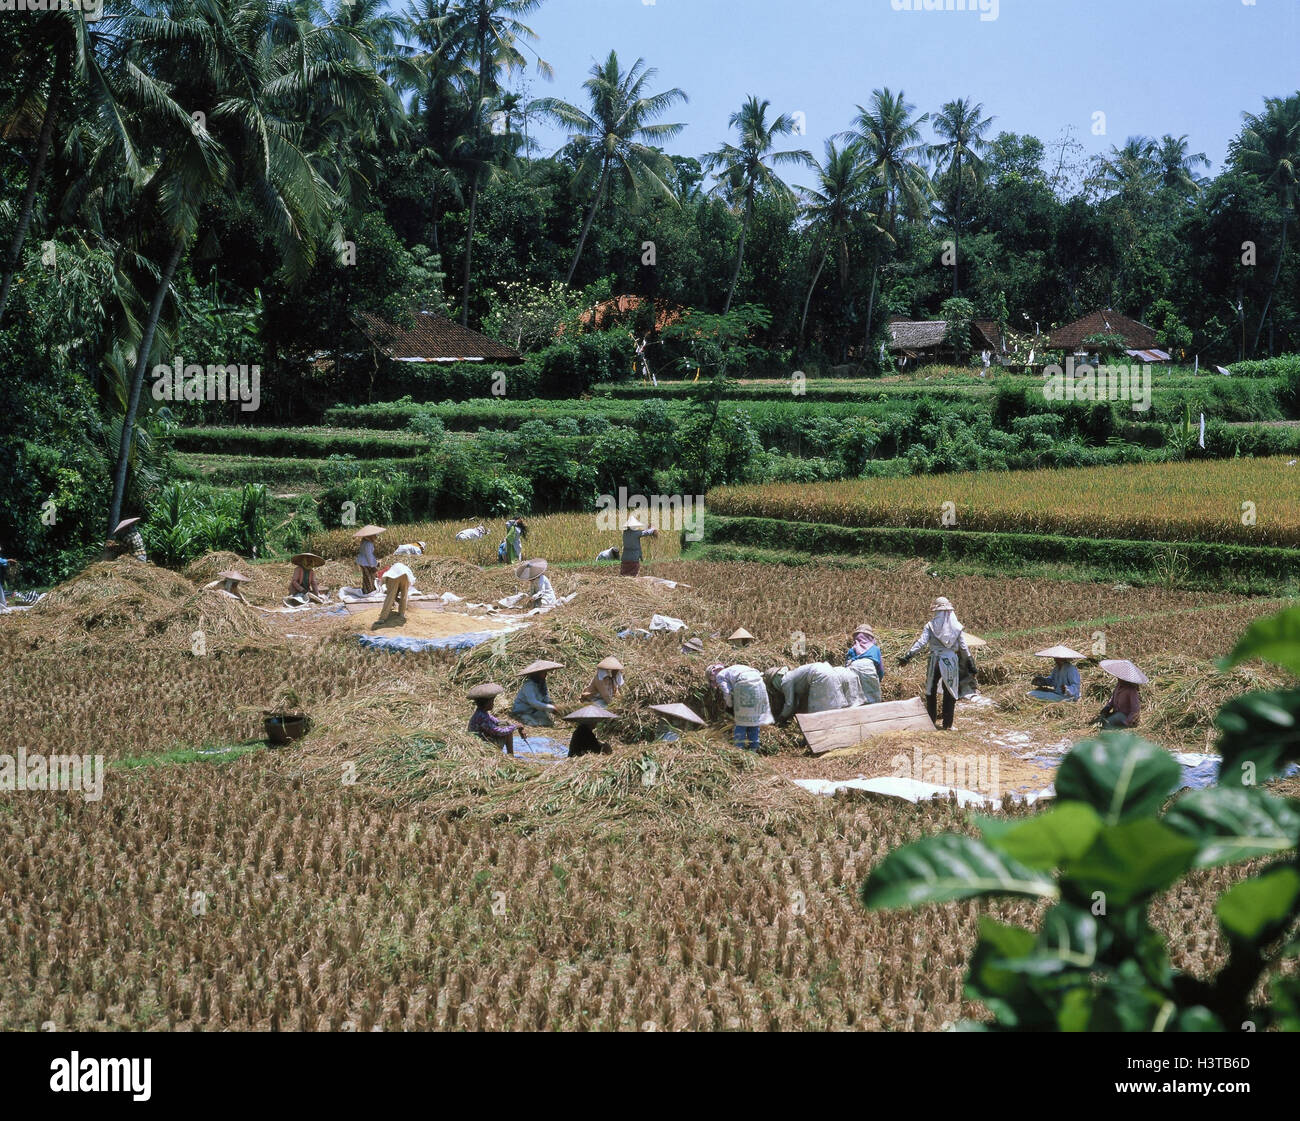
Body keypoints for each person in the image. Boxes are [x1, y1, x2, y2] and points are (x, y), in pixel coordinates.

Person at [897, 597, 975, 731]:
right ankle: (947, 724)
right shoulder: (956, 627)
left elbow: (921, 643)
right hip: (950, 661)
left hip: (935, 660)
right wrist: (970, 661)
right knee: (949, 692)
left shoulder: (930, 625)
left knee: (930, 691)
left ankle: (931, 722)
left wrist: (908, 656)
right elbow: (963, 646)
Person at [709, 662, 773, 751]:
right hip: (759, 684)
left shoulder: (720, 676)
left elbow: (727, 692)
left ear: (712, 676)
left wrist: (729, 705)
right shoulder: (734, 669)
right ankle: (754, 748)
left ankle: (739, 749)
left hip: (745, 684)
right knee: (754, 719)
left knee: (741, 721)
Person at [768, 662, 859, 721]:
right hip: (828, 670)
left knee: (818, 712)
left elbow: (789, 704)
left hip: (819, 675)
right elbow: (796, 702)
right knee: (832, 703)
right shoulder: (793, 675)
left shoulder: (785, 680)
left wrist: (780, 718)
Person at [467, 682, 524, 755]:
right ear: (486, 703)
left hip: (485, 738)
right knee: (508, 733)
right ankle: (511, 755)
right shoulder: (481, 717)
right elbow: (498, 731)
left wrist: (513, 725)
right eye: (492, 702)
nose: (493, 704)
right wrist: (515, 727)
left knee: (506, 724)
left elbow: (496, 721)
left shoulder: (482, 713)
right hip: (482, 745)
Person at [1095, 659, 1147, 727]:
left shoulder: (1131, 691)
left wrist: (1127, 722)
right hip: (1116, 713)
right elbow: (1112, 699)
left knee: (1110, 722)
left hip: (1124, 716)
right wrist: (1107, 708)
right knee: (1101, 718)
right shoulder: (1118, 686)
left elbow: (1135, 710)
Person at [511, 660, 564, 726]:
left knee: (549, 723)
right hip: (523, 711)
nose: (545, 675)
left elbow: (545, 697)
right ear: (536, 674)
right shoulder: (529, 685)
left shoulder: (542, 683)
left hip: (535, 710)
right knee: (534, 724)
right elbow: (533, 702)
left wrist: (552, 704)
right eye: (543, 673)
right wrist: (551, 708)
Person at [353, 525, 385, 594]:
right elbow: (369, 556)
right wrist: (373, 565)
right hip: (366, 563)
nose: (376, 537)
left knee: (366, 577)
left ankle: (366, 590)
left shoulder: (364, 541)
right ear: (371, 535)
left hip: (362, 562)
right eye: (375, 535)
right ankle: (369, 592)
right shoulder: (368, 544)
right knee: (369, 578)